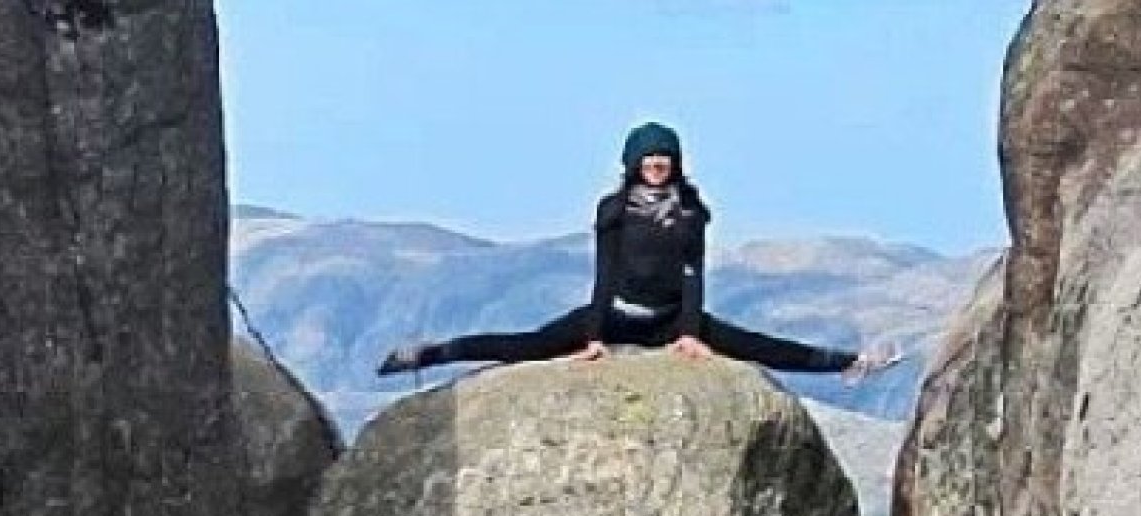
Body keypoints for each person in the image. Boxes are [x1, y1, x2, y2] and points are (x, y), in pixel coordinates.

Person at [377, 121, 899, 379]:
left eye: (663, 160)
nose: (656, 167)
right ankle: (428, 354)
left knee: (753, 344)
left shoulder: (691, 211)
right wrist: (594, 334)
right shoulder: (614, 209)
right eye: (648, 160)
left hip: (669, 319)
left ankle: (850, 363)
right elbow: (605, 272)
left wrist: (690, 333)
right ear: (633, 165)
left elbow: (693, 273)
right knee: (527, 345)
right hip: (617, 315)